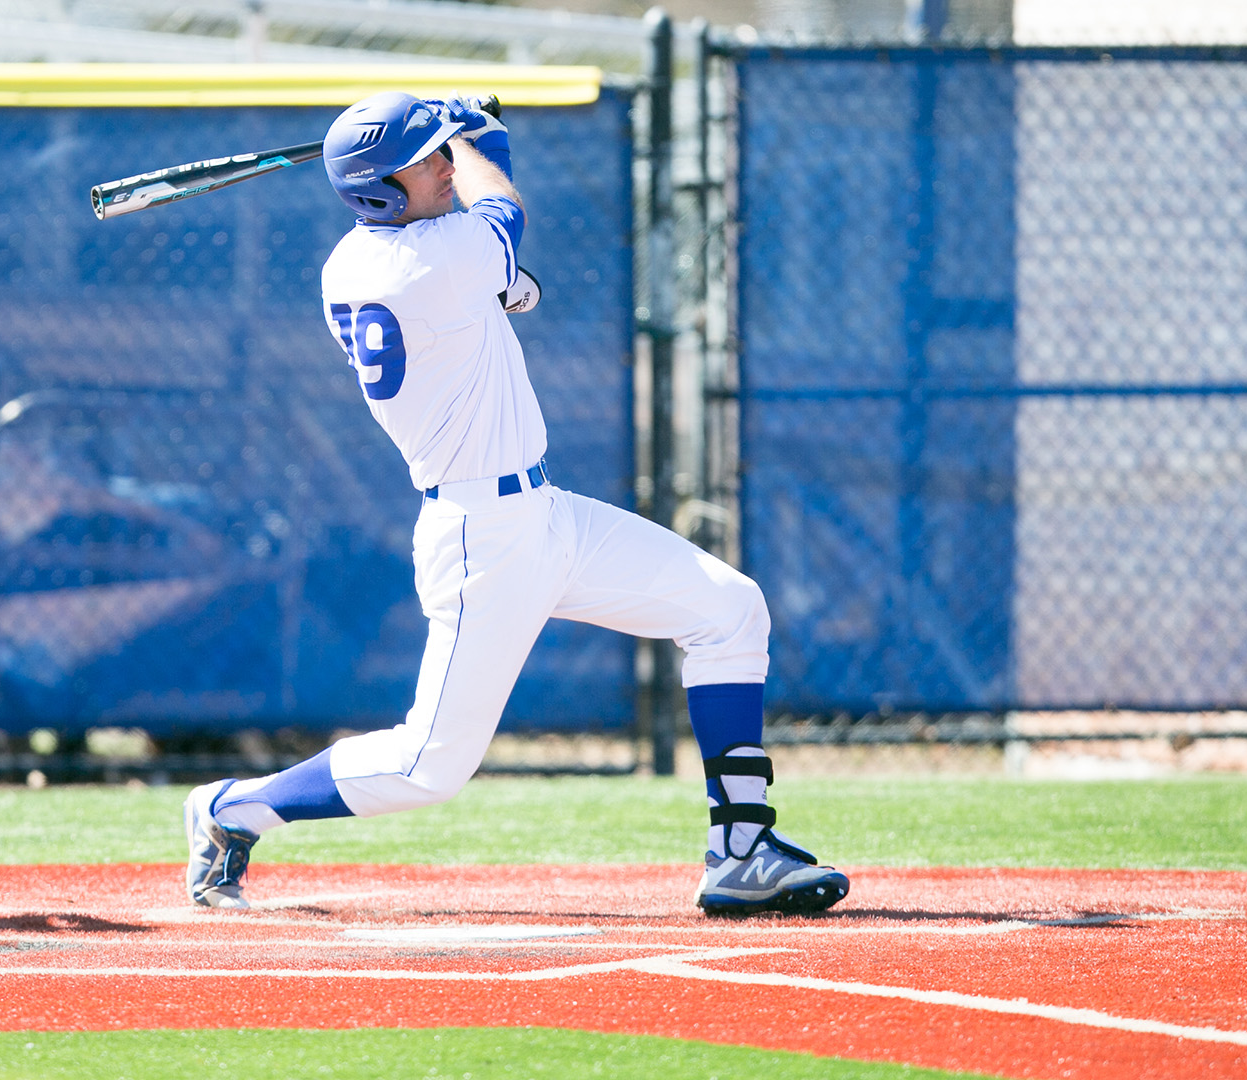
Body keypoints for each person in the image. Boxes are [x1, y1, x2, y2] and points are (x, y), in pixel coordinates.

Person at [182, 92, 850, 916]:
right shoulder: (435, 258)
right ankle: (226, 810)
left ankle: (740, 848)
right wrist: (467, 129)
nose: (440, 164)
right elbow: (500, 203)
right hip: (481, 537)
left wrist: (447, 132)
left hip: (544, 514)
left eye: (438, 153)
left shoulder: (364, 259)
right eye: (423, 159)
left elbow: (492, 256)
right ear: (380, 192)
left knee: (729, 609)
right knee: (428, 766)